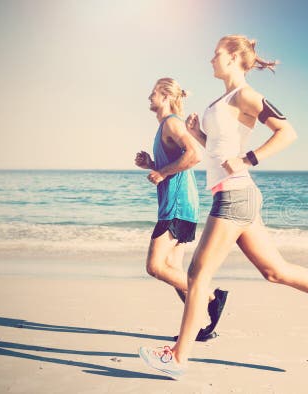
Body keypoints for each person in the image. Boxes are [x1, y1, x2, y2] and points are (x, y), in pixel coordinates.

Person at [138, 36, 308, 379]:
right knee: (275, 270)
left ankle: (178, 358)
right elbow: (218, 152)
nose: (210, 59)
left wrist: (248, 158)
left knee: (198, 275)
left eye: (216, 54)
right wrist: (199, 135)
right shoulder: (221, 100)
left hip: (235, 195)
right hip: (234, 193)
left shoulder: (245, 95)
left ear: (232, 57)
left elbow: (287, 132)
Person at [134, 77, 229, 342]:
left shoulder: (172, 123)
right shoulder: (165, 126)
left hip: (177, 205)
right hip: (181, 203)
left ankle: (211, 297)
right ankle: (197, 327)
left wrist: (162, 172)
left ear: (165, 96)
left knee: (155, 266)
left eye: (153, 92)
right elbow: (178, 159)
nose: (149, 97)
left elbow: (194, 155)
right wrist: (152, 164)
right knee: (175, 269)